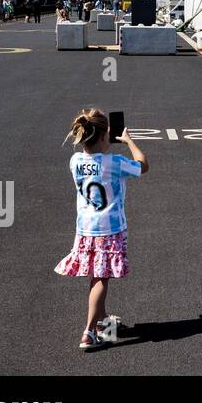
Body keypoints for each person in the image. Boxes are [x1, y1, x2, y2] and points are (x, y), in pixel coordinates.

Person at [53, 109, 149, 352]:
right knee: (102, 279)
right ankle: (88, 332)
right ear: (106, 137)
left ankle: (101, 324)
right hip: (110, 229)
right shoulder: (115, 163)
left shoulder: (75, 161)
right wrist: (129, 141)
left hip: (85, 229)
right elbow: (143, 166)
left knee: (96, 275)